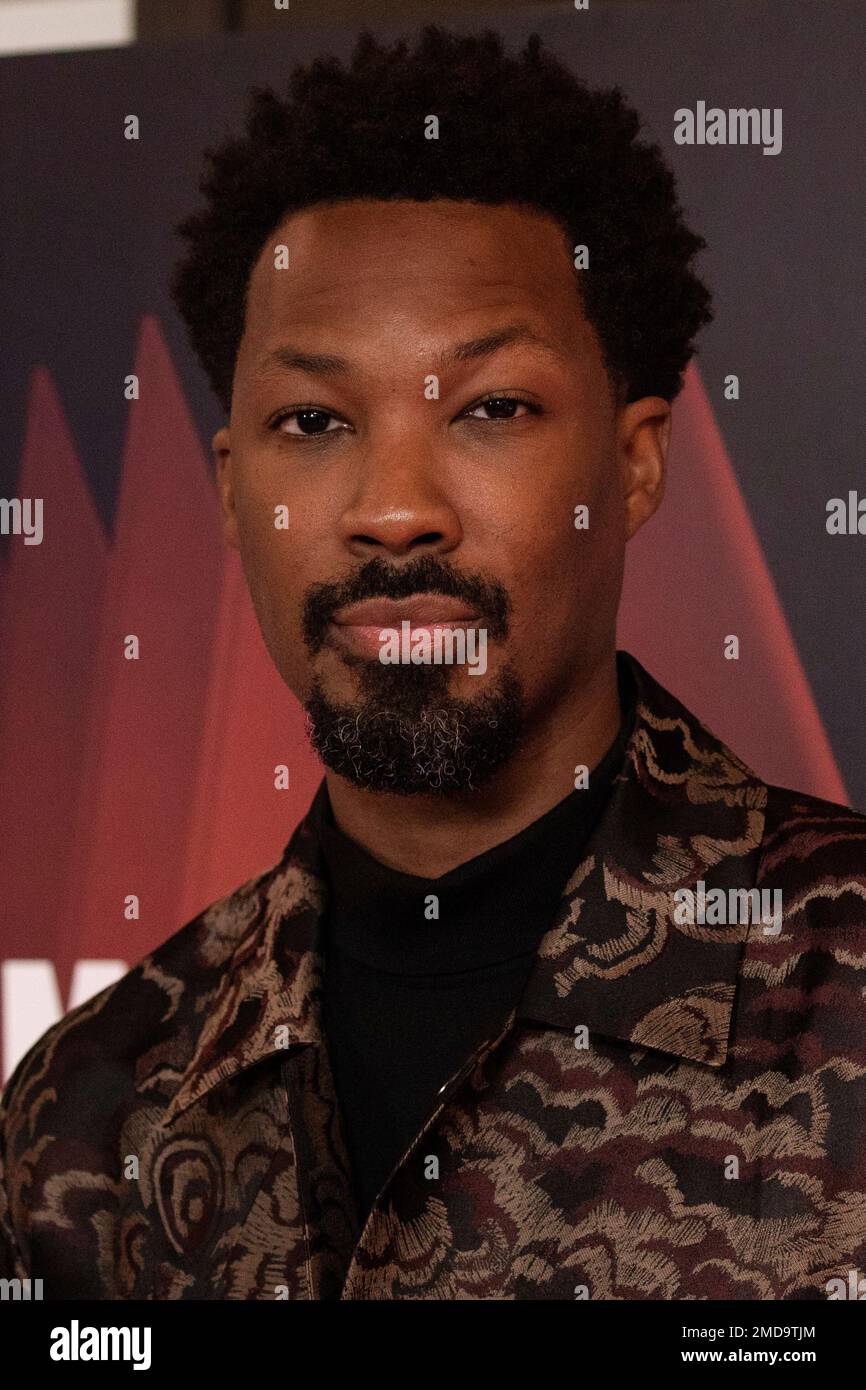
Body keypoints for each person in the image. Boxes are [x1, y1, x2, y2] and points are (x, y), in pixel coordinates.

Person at [2, 25, 864, 1302]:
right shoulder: (90, 1107)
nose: (393, 508)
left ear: (632, 463)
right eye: (313, 420)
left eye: (489, 408)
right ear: (233, 490)